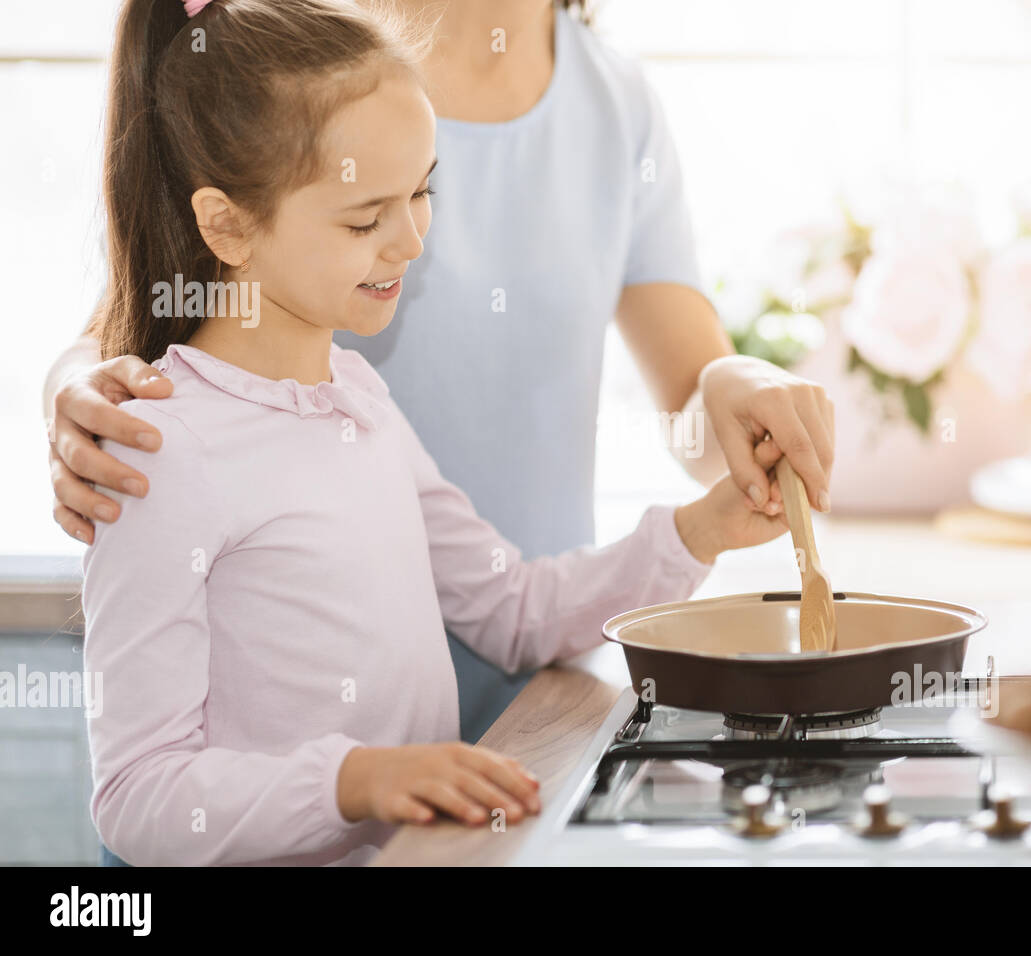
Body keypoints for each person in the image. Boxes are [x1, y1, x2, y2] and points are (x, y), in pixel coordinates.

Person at [79, 0, 791, 866]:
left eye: (423, 192)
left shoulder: (360, 400)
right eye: (364, 218)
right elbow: (136, 797)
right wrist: (355, 782)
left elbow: (512, 610)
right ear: (226, 224)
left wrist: (700, 530)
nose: (413, 240)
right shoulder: (159, 454)